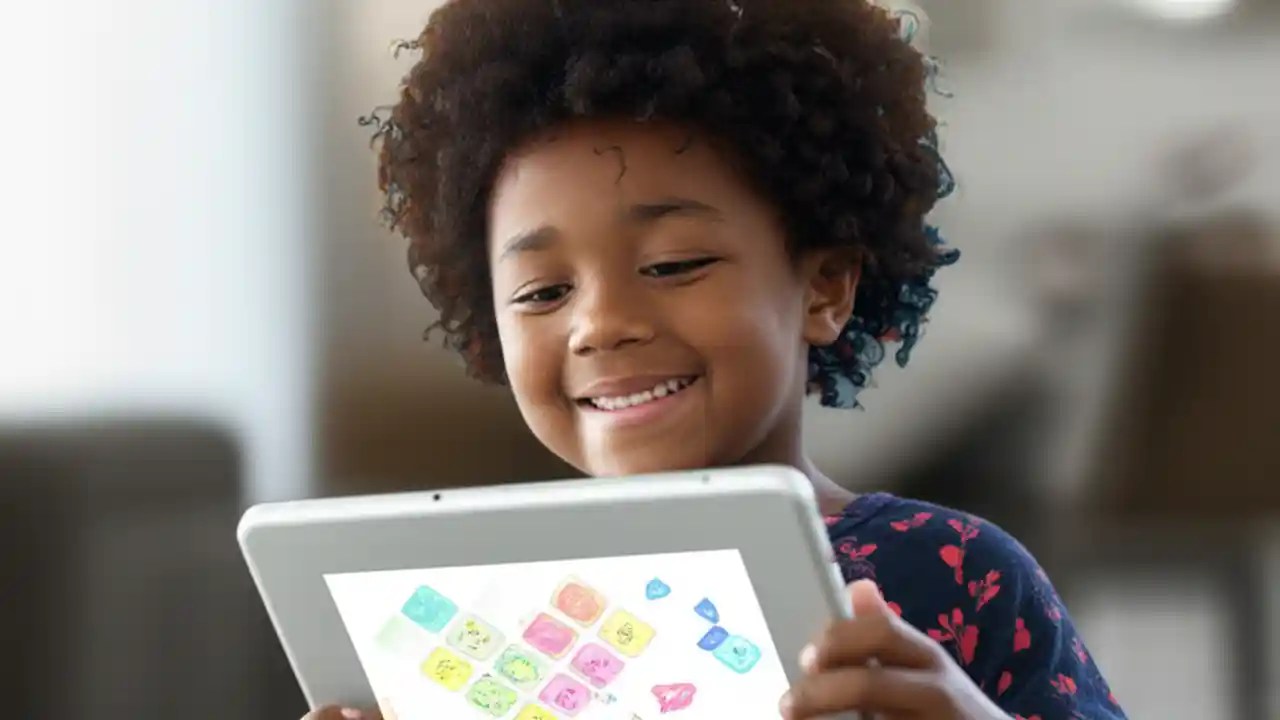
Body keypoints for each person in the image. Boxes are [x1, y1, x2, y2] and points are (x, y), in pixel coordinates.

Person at [313, 0, 1127, 718]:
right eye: (541, 293)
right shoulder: (475, 619)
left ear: (824, 287)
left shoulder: (952, 572)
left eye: (671, 266)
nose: (601, 325)